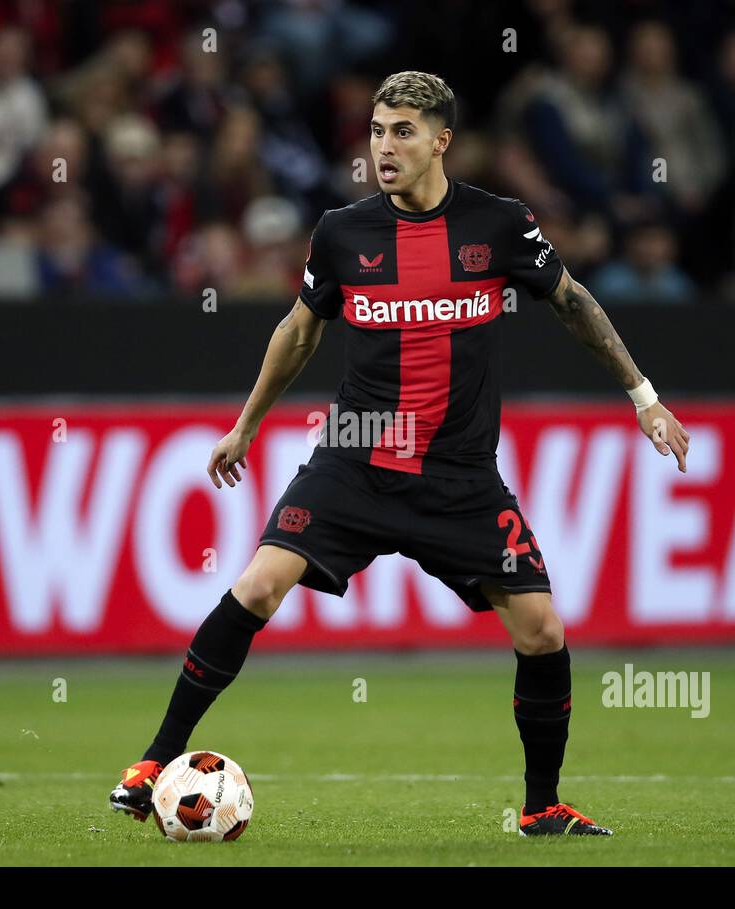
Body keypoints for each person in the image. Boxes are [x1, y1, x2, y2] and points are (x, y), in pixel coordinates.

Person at [109, 72, 690, 838]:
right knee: (257, 584)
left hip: (460, 478)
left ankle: (541, 806)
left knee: (542, 631)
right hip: (354, 459)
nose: (386, 146)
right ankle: (155, 759)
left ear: (441, 140)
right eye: (379, 130)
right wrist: (245, 425)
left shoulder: (500, 225)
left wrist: (644, 396)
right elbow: (299, 330)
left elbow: (574, 302)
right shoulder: (343, 233)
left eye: (405, 131)